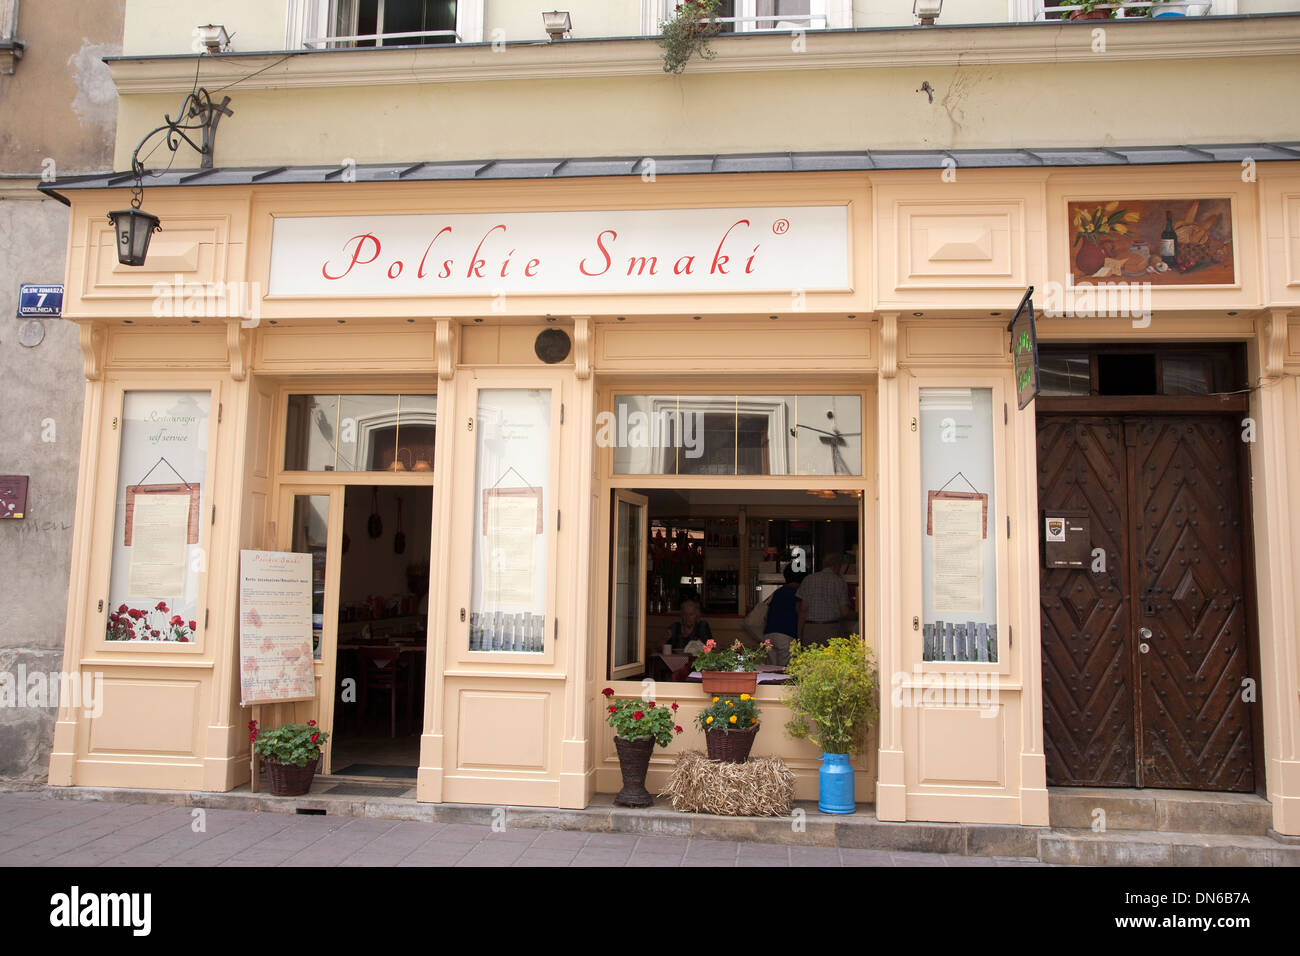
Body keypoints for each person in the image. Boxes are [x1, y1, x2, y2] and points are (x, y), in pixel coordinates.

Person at [797, 552, 852, 647]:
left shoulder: (808, 579)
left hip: (810, 629)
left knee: (810, 660)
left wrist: (799, 636)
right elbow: (844, 612)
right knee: (830, 660)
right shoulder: (839, 582)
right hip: (831, 629)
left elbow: (803, 610)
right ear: (837, 565)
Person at [763, 565, 803, 667]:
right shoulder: (798, 593)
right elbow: (800, 613)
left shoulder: (778, 592)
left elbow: (767, 614)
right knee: (784, 671)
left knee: (770, 670)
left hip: (769, 634)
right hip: (786, 634)